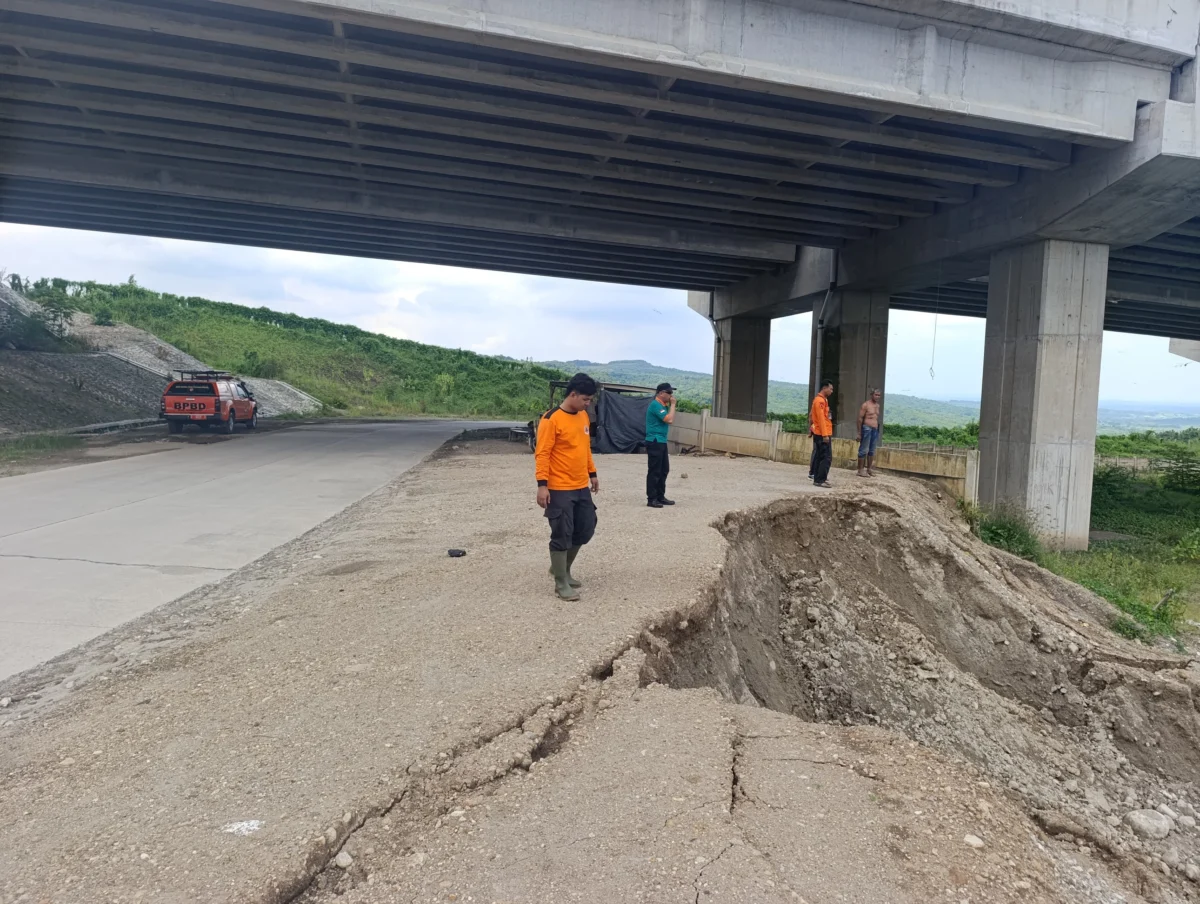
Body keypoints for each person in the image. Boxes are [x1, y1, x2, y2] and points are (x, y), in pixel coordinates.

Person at [535, 373, 600, 601]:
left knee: (586, 526)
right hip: (559, 486)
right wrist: (542, 485)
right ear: (572, 394)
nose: (587, 403)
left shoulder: (582, 417)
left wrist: (592, 473)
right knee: (562, 532)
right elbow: (542, 454)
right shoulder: (551, 419)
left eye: (590, 400)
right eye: (585, 399)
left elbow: (585, 449)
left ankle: (562, 568)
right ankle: (560, 582)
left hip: (580, 484)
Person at [645, 382, 677, 508]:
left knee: (664, 469)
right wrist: (673, 405)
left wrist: (670, 405)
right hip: (655, 440)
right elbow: (669, 419)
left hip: (661, 441)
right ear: (661, 393)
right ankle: (651, 498)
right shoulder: (655, 405)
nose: (671, 395)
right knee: (655, 470)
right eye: (669, 393)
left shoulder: (663, 405)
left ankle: (660, 496)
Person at [810, 380, 834, 487]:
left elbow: (812, 416)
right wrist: (825, 435)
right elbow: (820, 419)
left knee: (820, 456)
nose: (831, 391)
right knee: (826, 457)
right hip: (822, 434)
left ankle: (818, 478)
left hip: (821, 432)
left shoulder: (823, 400)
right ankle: (820, 479)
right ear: (824, 388)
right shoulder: (820, 401)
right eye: (830, 389)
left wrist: (812, 429)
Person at [857, 389, 883, 478]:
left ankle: (869, 469)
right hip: (866, 428)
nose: (877, 397)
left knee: (872, 450)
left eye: (879, 395)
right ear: (872, 394)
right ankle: (860, 470)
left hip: (874, 429)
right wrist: (859, 433)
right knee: (864, 449)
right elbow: (860, 419)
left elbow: (876, 418)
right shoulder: (866, 405)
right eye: (876, 395)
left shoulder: (877, 406)